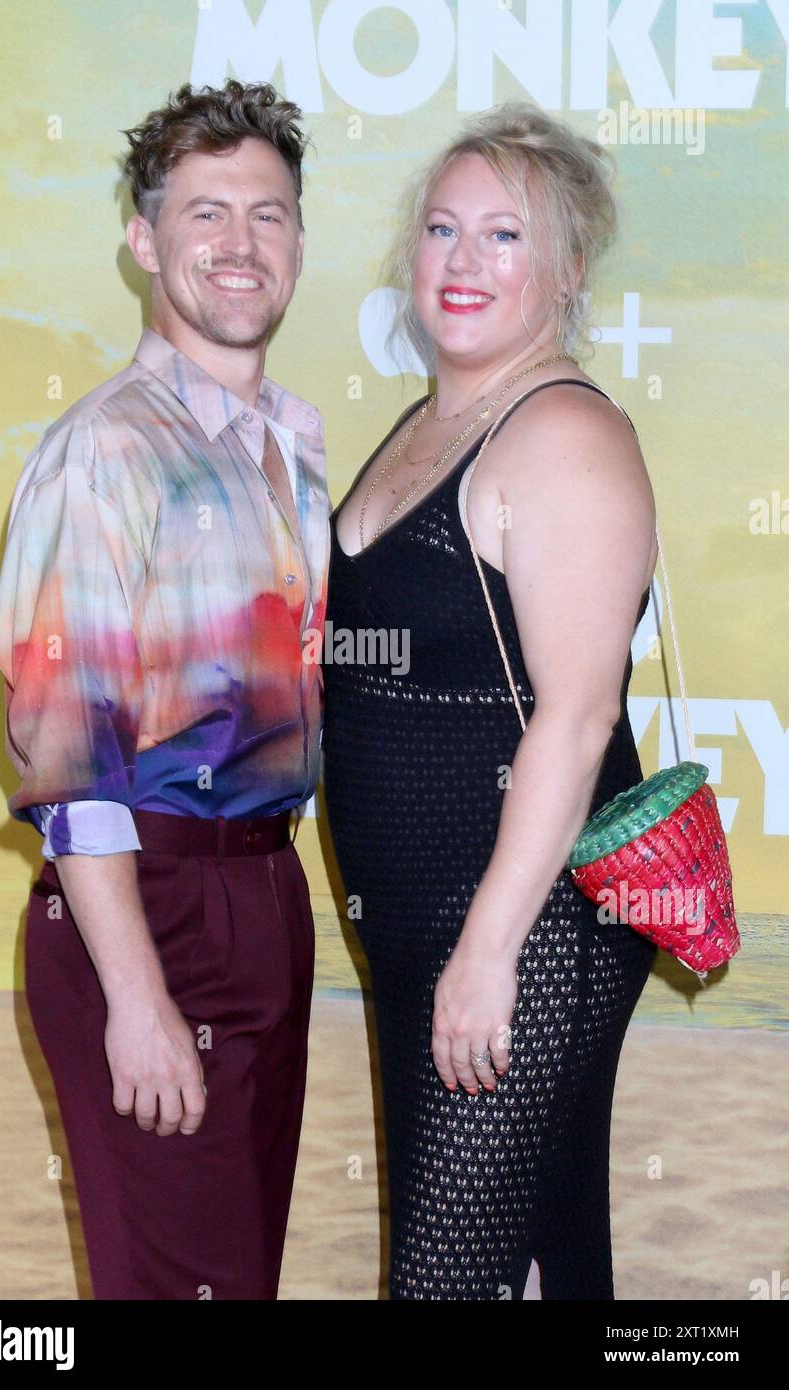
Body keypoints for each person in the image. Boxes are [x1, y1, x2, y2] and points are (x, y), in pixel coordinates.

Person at [0, 80, 329, 1300]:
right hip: (145, 907)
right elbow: (69, 752)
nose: (240, 245)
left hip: (264, 896)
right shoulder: (106, 452)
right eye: (204, 214)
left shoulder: (286, 448)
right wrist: (137, 997)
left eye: (269, 214)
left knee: (229, 1280)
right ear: (143, 241)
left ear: (299, 238)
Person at [321, 102, 659, 1300]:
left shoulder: (558, 434)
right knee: (546, 1263)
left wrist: (487, 949)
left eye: (504, 237)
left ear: (566, 271)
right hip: (429, 929)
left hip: (523, 931)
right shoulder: (430, 422)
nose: (462, 262)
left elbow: (574, 719)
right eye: (441, 229)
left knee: (448, 1283)